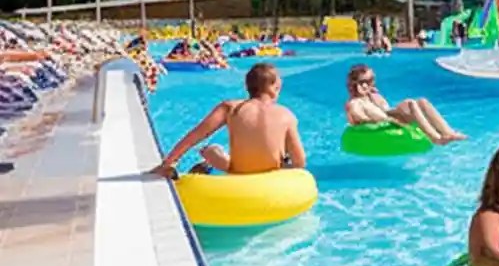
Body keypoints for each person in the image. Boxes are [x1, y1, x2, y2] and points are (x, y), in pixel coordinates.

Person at [150, 63, 306, 177]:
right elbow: (299, 162)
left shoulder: (230, 108)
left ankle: (208, 158)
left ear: (248, 87)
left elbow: (195, 136)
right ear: (273, 88)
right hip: (269, 179)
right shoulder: (286, 115)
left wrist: (168, 163)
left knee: (210, 150)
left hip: (238, 173)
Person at [344, 63, 466, 145]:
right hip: (388, 122)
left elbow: (383, 107)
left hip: (391, 116)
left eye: (371, 81)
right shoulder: (355, 103)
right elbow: (359, 119)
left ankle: (449, 132)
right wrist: (387, 121)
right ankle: (436, 138)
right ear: (354, 84)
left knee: (422, 101)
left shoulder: (371, 95)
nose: (367, 85)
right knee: (411, 103)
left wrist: (373, 96)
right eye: (362, 82)